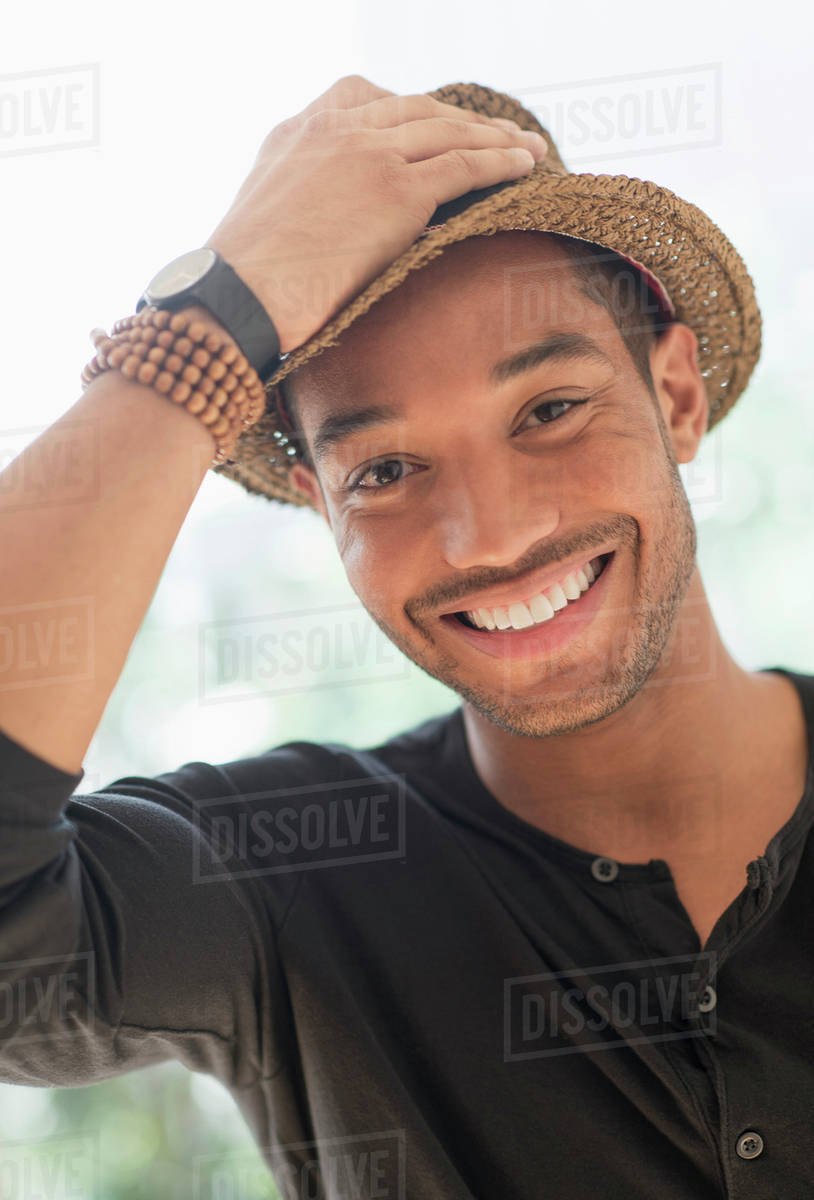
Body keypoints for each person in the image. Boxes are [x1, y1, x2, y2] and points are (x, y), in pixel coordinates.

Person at [1, 74, 811, 1198]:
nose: (493, 536)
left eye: (549, 409)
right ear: (321, 504)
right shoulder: (289, 881)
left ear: (673, 394)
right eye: (383, 471)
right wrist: (210, 332)